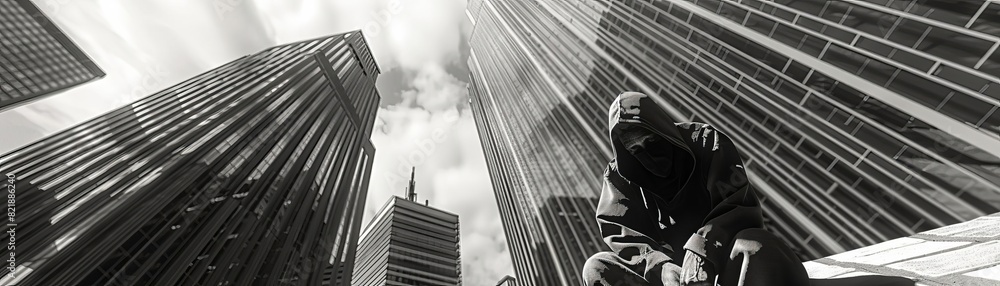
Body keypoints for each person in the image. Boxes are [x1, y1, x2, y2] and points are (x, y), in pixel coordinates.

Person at [581, 92, 915, 286]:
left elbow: (736, 205)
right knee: (597, 266)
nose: (647, 154)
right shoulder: (619, 177)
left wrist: (702, 249)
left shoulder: (707, 142)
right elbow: (621, 232)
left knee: (755, 248)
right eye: (635, 150)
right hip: (673, 278)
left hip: (727, 267)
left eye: (652, 142)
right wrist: (661, 267)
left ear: (666, 132)